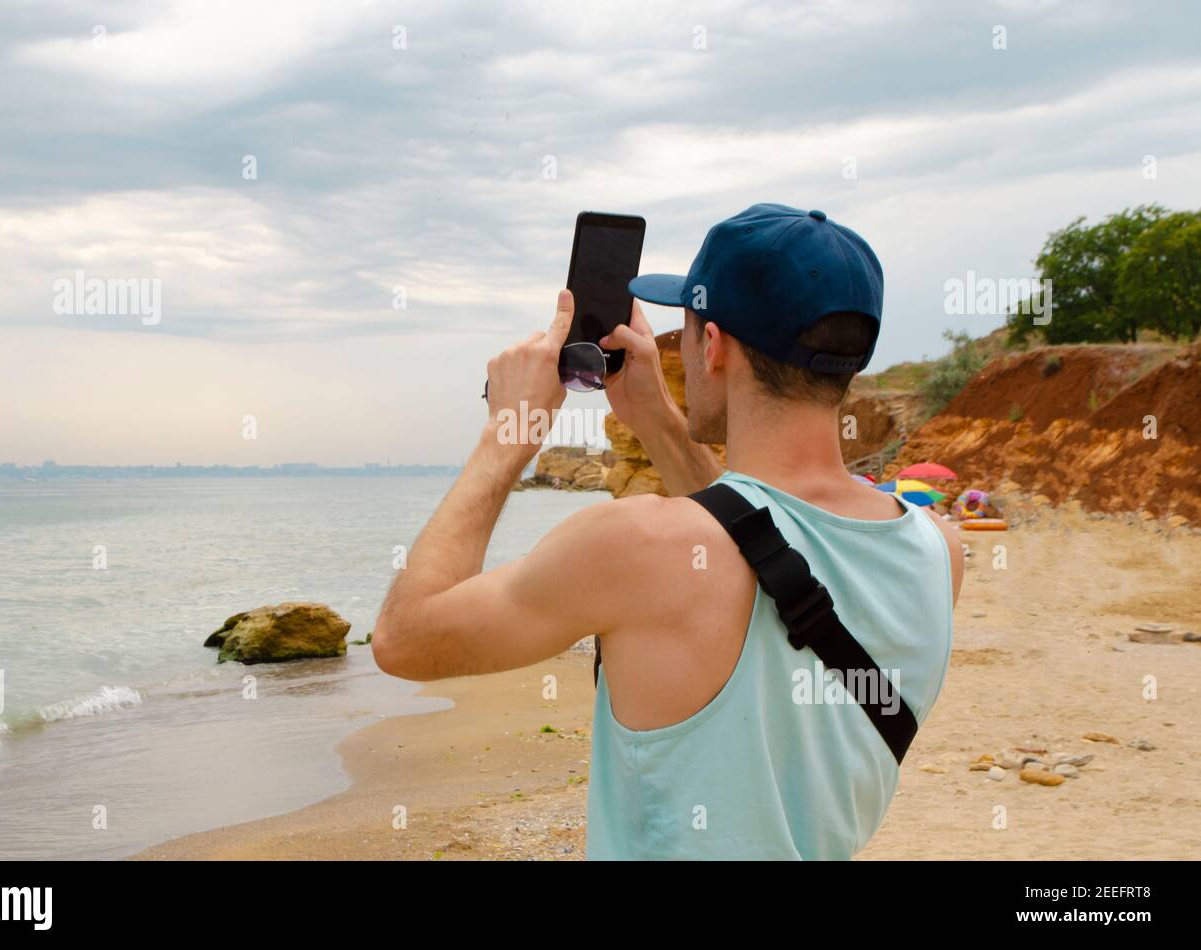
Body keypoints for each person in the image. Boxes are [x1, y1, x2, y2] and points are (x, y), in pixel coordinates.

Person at [373, 203, 962, 859]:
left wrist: (505, 434)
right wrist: (655, 418)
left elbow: (404, 639)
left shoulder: (634, 547)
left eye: (686, 328)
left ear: (711, 346)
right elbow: (748, 535)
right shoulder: (940, 550)